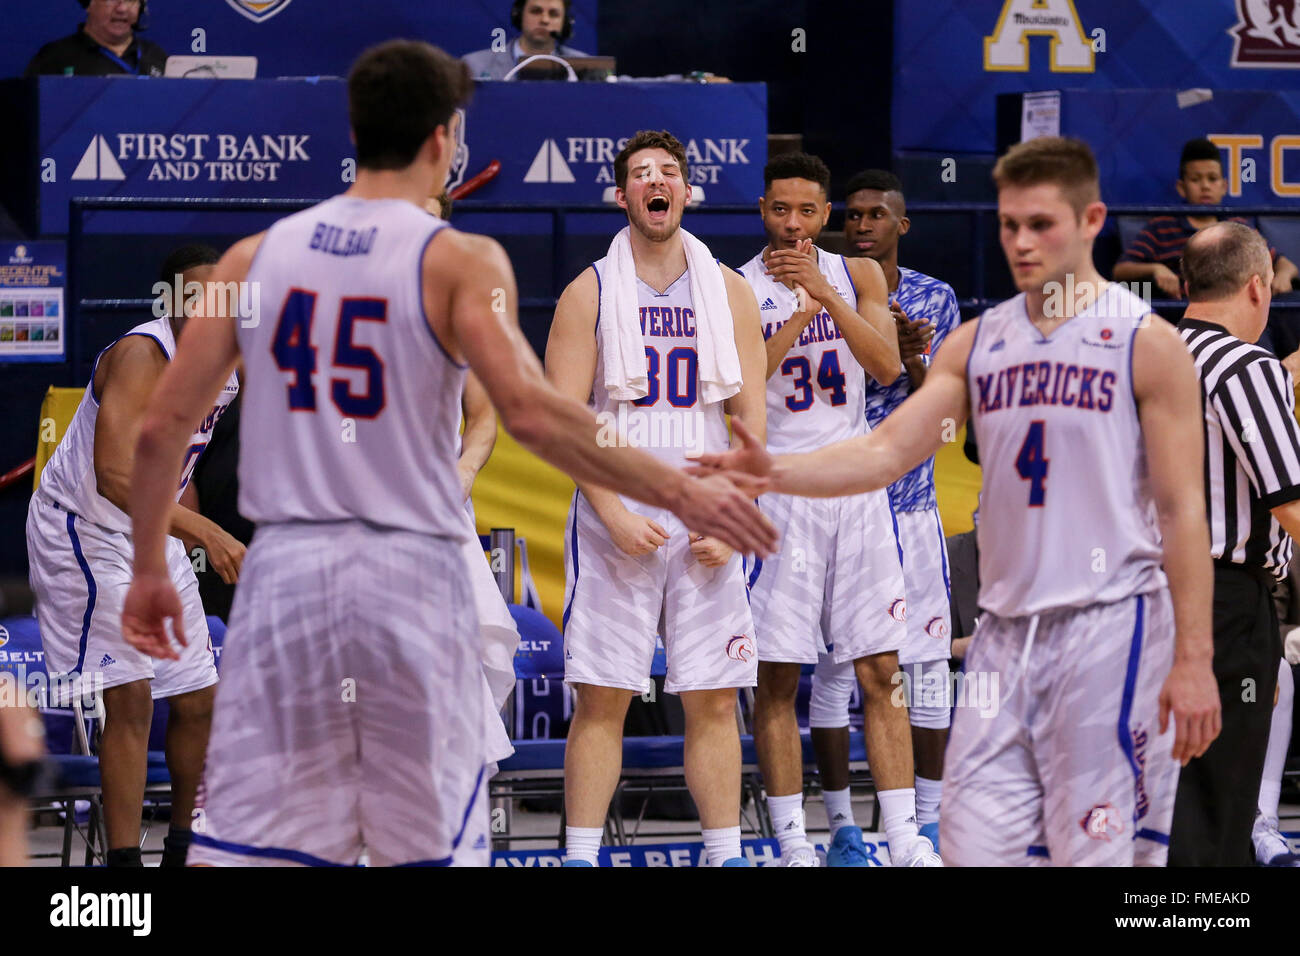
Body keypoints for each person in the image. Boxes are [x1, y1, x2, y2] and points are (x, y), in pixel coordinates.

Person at [121, 44, 774, 868]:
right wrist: (677, 494)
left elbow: (160, 431)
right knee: (423, 838)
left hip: (287, 579)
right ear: (445, 140)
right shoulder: (459, 260)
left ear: (355, 131)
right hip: (406, 574)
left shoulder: (255, 259)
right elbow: (540, 416)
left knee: (263, 840)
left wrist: (149, 567)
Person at [692, 136, 1222, 866]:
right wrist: (768, 473)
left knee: (1099, 845)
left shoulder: (1149, 344)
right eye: (1009, 225)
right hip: (1005, 634)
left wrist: (1195, 657)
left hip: (1109, 622)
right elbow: (882, 451)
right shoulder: (976, 343)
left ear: (1092, 220)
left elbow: (1182, 512)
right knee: (978, 844)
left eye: (1042, 224)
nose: (1022, 242)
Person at [545, 129, 768, 867]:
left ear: (687, 191)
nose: (655, 181)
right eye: (641, 174)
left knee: (713, 696)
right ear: (622, 197)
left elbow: (753, 419)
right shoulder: (591, 290)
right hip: (619, 512)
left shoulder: (729, 288)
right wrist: (609, 511)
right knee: (603, 697)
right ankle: (580, 855)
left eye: (668, 171)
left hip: (706, 510)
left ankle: (724, 852)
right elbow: (562, 421)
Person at [735, 153, 941, 867]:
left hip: (857, 492)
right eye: (779, 210)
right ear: (763, 209)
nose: (792, 224)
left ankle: (906, 837)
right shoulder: (734, 285)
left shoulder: (858, 274)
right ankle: (793, 841)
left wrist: (824, 291)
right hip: (781, 492)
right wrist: (792, 318)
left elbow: (888, 366)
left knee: (881, 671)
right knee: (780, 677)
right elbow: (741, 388)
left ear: (825, 215)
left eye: (807, 211)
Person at [25, 243, 243, 867]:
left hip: (154, 528)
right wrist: (204, 530)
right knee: (132, 692)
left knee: (199, 696)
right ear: (172, 302)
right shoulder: (141, 356)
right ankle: (123, 872)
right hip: (85, 529)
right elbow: (115, 476)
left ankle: (182, 849)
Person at [807, 167, 962, 862]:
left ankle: (926, 825)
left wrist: (914, 357)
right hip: (838, 507)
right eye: (854, 214)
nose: (862, 224)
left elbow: (947, 407)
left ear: (902, 225)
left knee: (924, 669)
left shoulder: (937, 297)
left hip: (912, 508)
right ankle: (842, 829)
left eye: (877, 215)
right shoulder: (823, 288)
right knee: (838, 671)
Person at [1170, 221, 1300, 866]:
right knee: (1221, 797)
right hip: (1223, 604)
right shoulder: (1246, 366)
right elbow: (1291, 501)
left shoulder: (1144, 353)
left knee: (1168, 794)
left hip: (1139, 599)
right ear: (1258, 286)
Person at [1113, 138, 1297, 299]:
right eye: (1195, 179)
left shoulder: (1239, 226)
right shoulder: (1161, 226)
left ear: (1224, 186)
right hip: (1180, 316)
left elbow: (1284, 264)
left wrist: (1283, 275)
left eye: (1212, 178)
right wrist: (1155, 269)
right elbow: (1120, 270)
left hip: (1235, 316)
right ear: (1181, 187)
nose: (1205, 186)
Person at [25, 0, 166, 78]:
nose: (122, 8)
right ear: (89, 4)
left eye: (130, 0)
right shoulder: (54, 59)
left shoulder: (156, 56)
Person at [462, 0, 588, 81]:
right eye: (536, 11)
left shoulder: (585, 68)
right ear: (519, 15)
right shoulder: (474, 66)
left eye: (553, 14)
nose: (544, 20)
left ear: (565, 23)